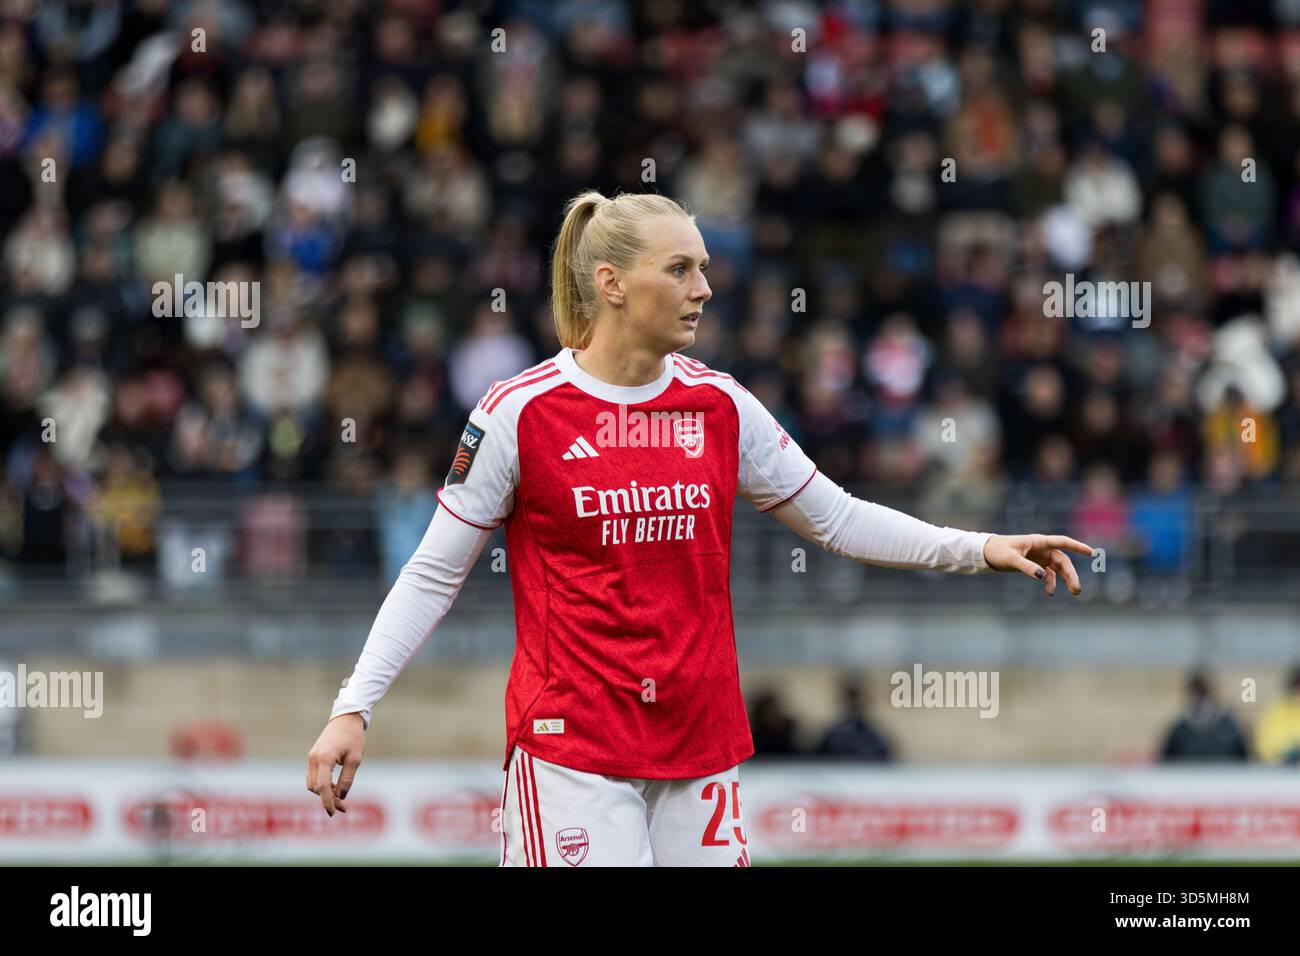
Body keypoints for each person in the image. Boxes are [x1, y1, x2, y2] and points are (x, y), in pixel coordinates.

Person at [306, 190, 1094, 867]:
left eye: (705, 267)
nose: (705, 289)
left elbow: (837, 518)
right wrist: (355, 705)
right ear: (610, 284)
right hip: (573, 746)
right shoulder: (520, 412)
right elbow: (434, 572)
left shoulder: (721, 405)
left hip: (701, 743)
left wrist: (981, 547)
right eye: (680, 269)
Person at [1158, 671, 1249, 762]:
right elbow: (1167, 764)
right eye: (1195, 693)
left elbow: (1244, 761)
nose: (1199, 699)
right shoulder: (1180, 732)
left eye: (1203, 692)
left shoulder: (1229, 729)